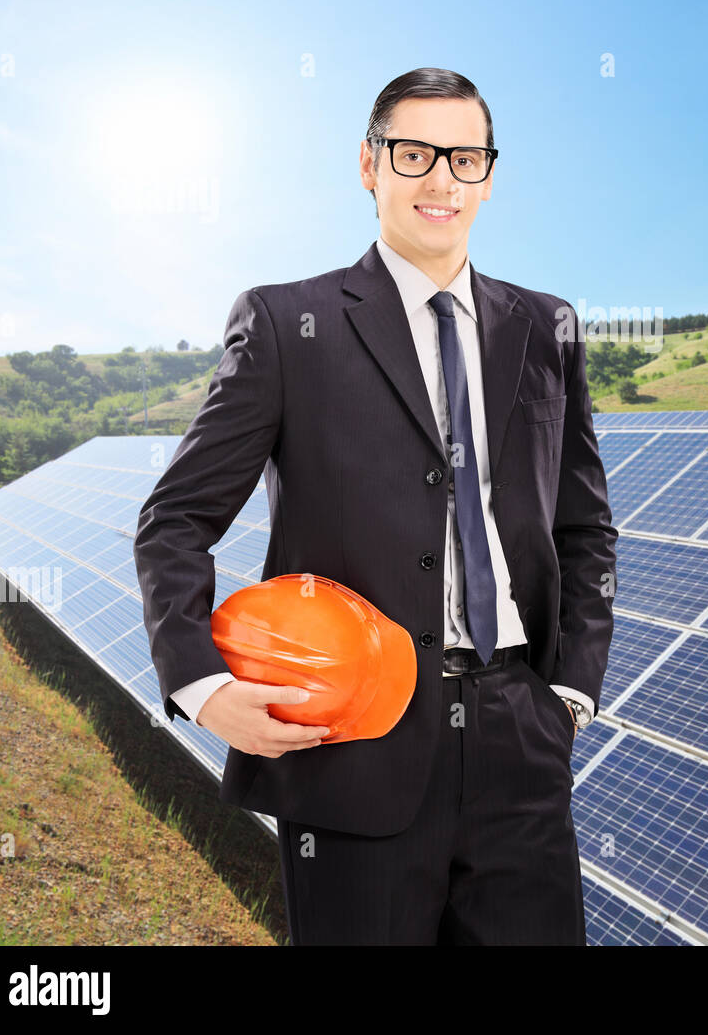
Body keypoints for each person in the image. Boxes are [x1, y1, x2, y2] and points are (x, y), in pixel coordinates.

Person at [133, 67, 617, 944]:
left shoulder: (547, 328)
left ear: (490, 174)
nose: (442, 179)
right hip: (352, 738)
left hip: (520, 739)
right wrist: (200, 685)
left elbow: (583, 528)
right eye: (416, 153)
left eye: (465, 158)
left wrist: (571, 693)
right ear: (369, 164)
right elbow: (177, 519)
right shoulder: (288, 323)